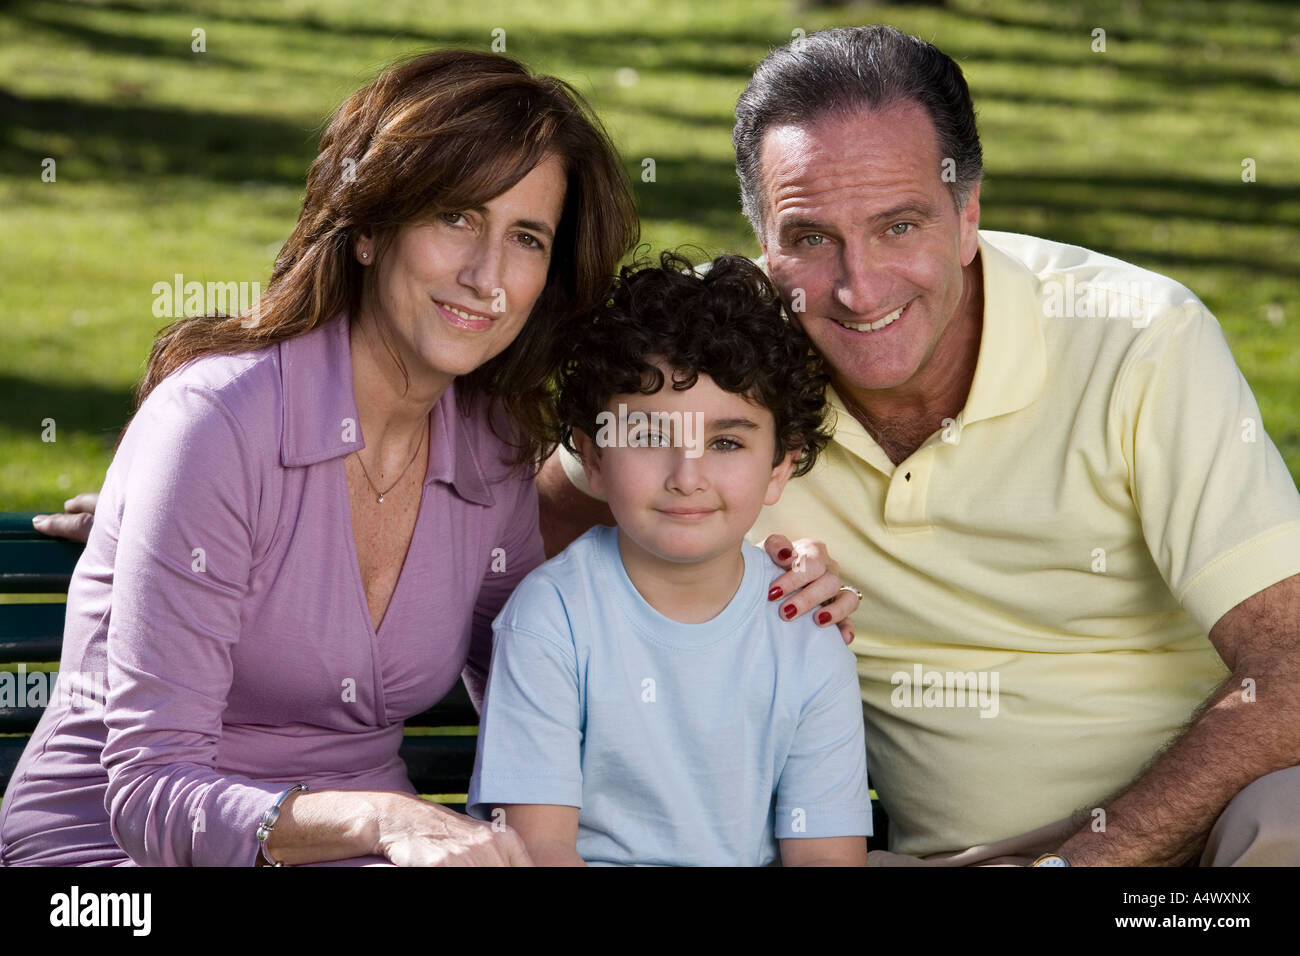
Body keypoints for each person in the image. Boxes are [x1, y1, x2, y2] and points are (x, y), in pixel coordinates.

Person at [7, 48, 854, 868]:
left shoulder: (488, 448)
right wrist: (381, 818)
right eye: (456, 216)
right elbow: (150, 795)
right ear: (371, 228)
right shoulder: (217, 424)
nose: (487, 274)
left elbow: (549, 669)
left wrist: (761, 596)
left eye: (527, 237)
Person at [540, 26, 1300, 866]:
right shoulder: (714, 362)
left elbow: (1291, 660)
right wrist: (723, 591)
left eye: (899, 227)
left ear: (967, 214)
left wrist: (1084, 861)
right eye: (810, 238)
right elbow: (540, 537)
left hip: (1197, 839)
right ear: (763, 241)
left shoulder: (1137, 339)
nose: (858, 288)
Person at [466, 252, 870, 866]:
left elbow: (826, 857)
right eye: (650, 437)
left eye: (727, 442)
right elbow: (540, 851)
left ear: (779, 469)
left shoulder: (805, 631)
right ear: (593, 457)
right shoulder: (552, 617)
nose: (688, 476)